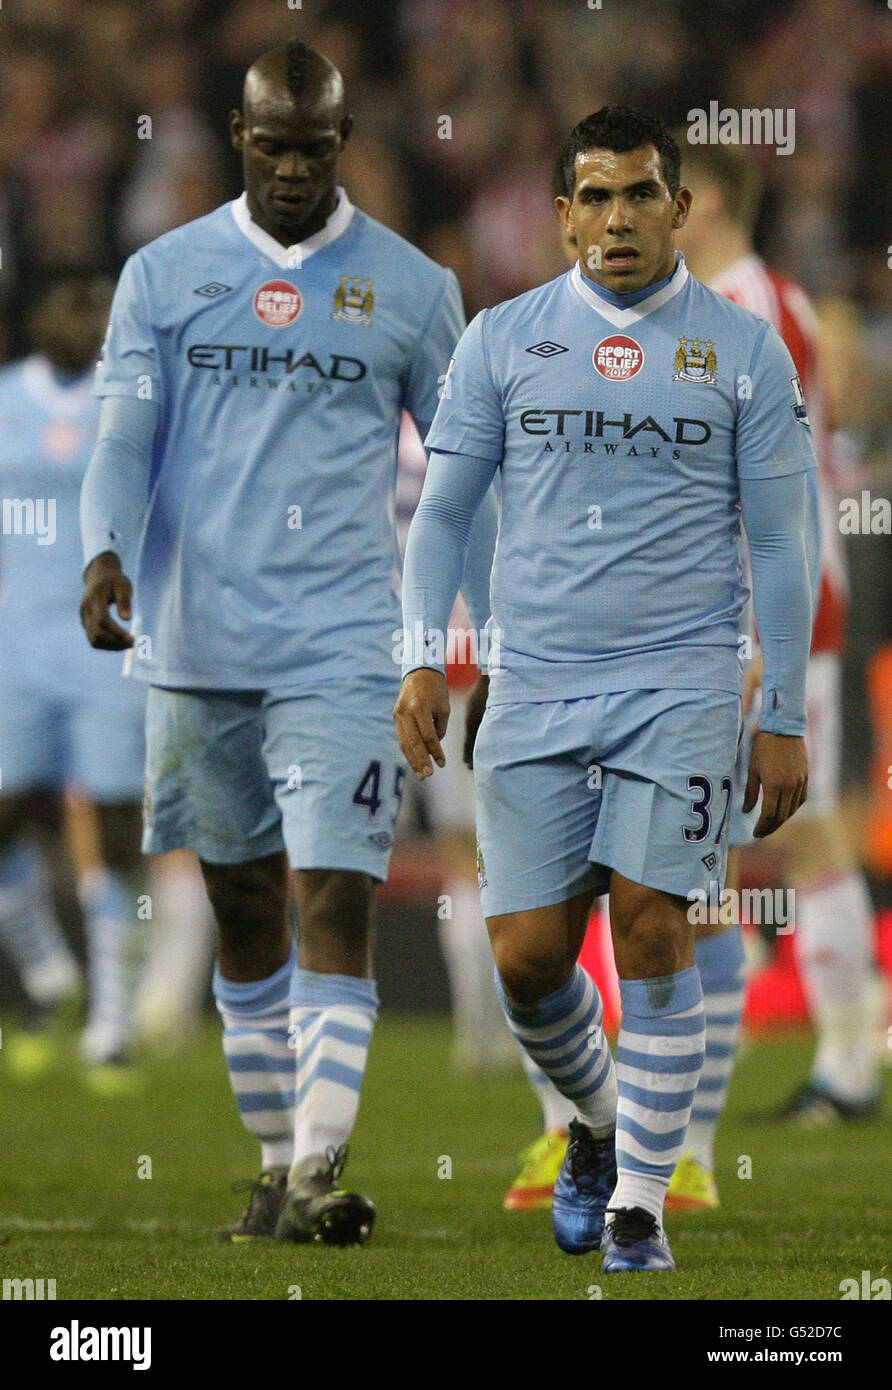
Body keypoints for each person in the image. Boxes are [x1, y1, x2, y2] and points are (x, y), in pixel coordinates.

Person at [79, 38, 493, 1246]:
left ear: (344, 140)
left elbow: (461, 474)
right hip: (197, 647)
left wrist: (478, 632)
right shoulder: (163, 275)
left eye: (315, 148)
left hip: (344, 647)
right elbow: (122, 439)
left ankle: (316, 1165)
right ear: (239, 136)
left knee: (334, 895)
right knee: (244, 910)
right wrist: (103, 550)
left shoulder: (413, 286)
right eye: (273, 147)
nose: (295, 169)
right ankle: (273, 1169)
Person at [395, 106, 817, 1273]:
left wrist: (780, 712)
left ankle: (639, 1204)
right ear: (562, 214)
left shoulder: (742, 349)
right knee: (528, 958)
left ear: (678, 206)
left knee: (651, 924)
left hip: (683, 682)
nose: (617, 217)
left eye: (639, 194)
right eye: (595, 196)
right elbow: (443, 514)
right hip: (535, 682)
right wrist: (424, 655)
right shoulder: (501, 339)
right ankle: (594, 1120)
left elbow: (782, 545)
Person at [672, 143, 880, 1184]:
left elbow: (776, 476)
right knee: (771, 836)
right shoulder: (766, 301)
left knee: (802, 832)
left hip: (778, 608)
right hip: (759, 605)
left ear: (706, 200)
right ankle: (833, 1055)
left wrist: (763, 631)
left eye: (667, 189)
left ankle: (847, 1063)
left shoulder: (747, 308)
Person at [0, 267, 147, 1084]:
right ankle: (46, 965)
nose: (85, 320)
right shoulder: (5, 402)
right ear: (35, 318)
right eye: (70, 305)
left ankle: (112, 1019)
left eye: (98, 307)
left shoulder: (129, 403)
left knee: (111, 825)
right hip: (15, 645)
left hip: (107, 645)